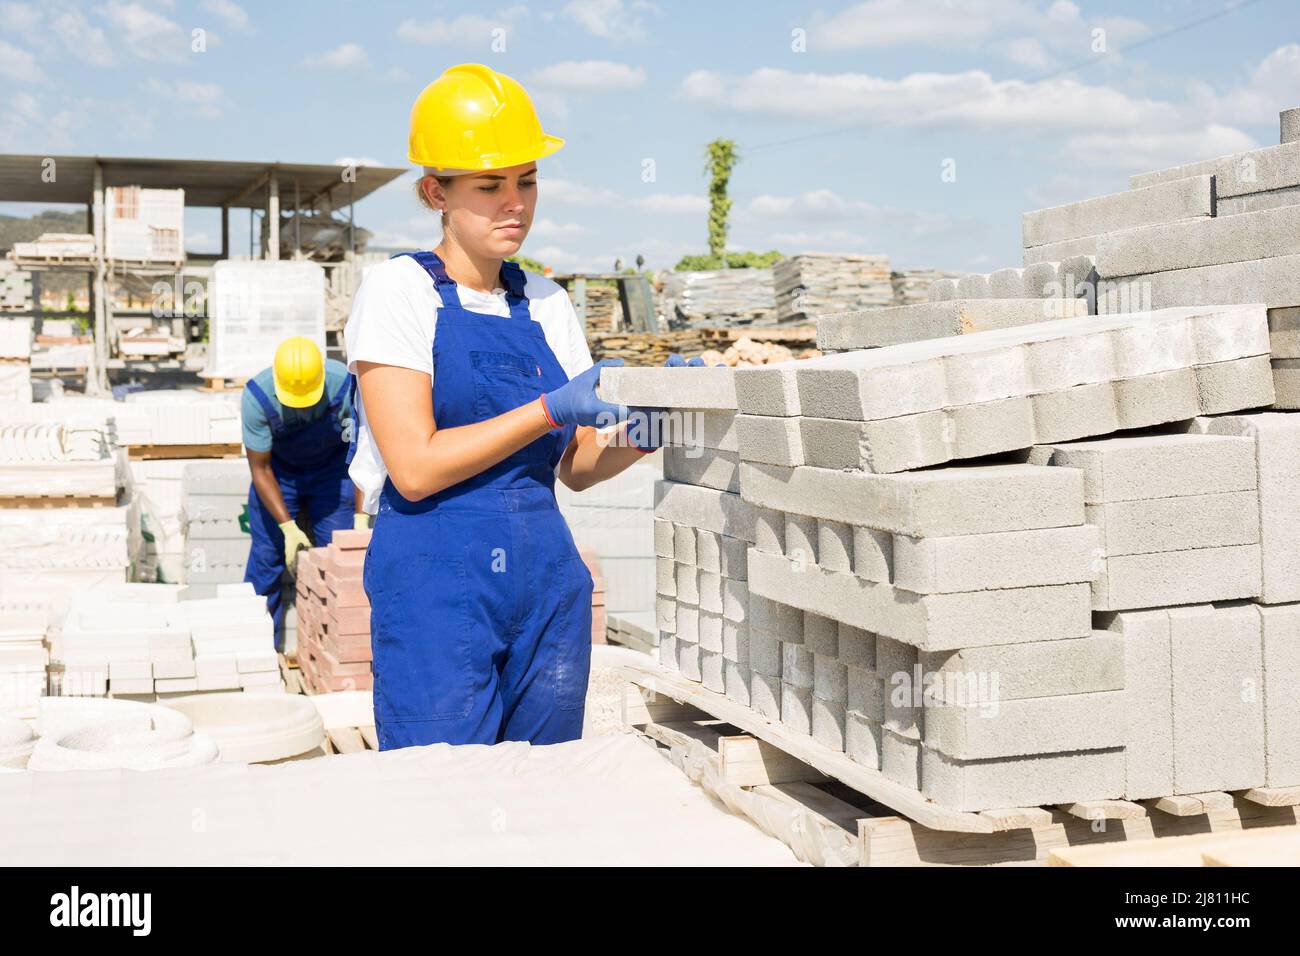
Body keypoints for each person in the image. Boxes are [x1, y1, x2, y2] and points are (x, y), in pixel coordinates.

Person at [346, 62, 678, 750]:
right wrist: (549, 410)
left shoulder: (547, 302)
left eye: (527, 181)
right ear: (436, 191)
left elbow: (579, 467)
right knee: (443, 796)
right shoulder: (397, 293)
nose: (515, 204)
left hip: (545, 581)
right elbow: (413, 467)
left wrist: (659, 421)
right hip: (437, 578)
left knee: (544, 794)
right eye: (490, 185)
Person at [242, 336, 366, 644]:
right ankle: (258, 654)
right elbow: (260, 468)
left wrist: (360, 519)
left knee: (338, 561)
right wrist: (287, 527)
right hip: (279, 476)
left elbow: (362, 450)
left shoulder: (344, 386)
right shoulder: (257, 396)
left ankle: (335, 658)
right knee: (266, 564)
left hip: (332, 475)